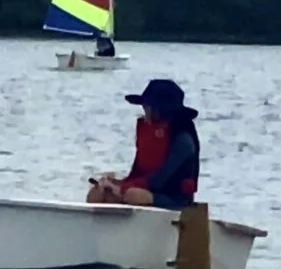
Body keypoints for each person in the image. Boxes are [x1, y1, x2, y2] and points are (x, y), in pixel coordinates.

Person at [86, 78, 200, 210]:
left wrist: (121, 189)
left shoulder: (183, 140)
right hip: (146, 190)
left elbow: (158, 181)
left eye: (147, 106)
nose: (144, 109)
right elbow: (136, 174)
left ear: (160, 110)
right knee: (97, 194)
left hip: (175, 199)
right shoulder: (149, 133)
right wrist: (112, 184)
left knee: (132, 195)